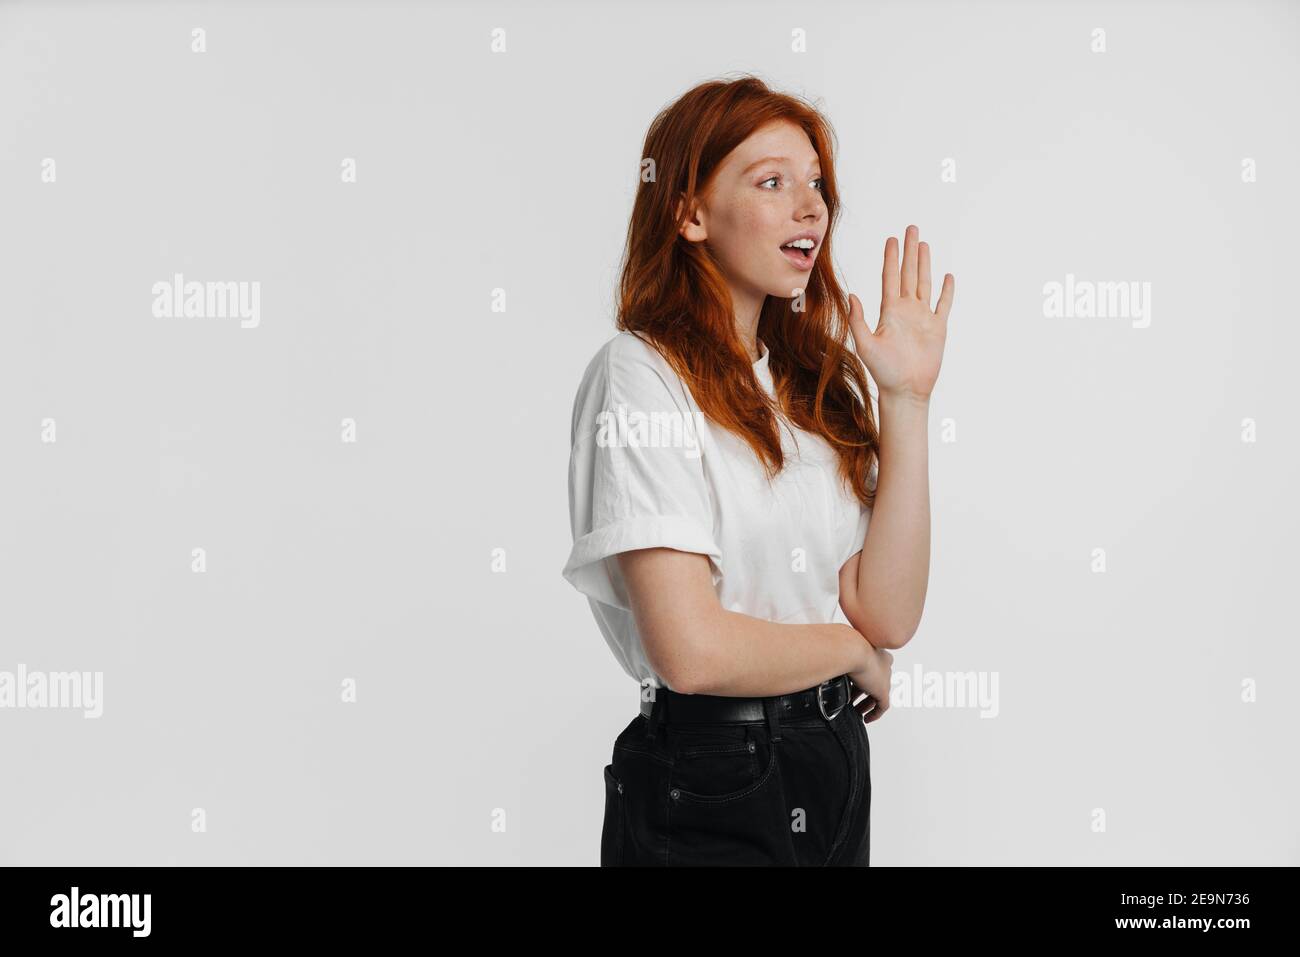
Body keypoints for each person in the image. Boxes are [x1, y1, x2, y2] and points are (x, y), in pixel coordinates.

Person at [562, 74, 955, 866]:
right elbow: (691, 652)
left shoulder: (805, 385)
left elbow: (888, 614)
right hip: (713, 772)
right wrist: (848, 654)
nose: (810, 206)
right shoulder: (641, 372)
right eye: (771, 182)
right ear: (690, 212)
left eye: (815, 184)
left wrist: (904, 402)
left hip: (833, 755)